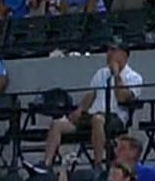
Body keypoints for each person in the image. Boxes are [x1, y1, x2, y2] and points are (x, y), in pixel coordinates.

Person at [42, 43, 143, 171]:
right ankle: (46, 164)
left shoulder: (134, 77)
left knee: (98, 120)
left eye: (113, 50)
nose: (109, 54)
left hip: (115, 117)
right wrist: (79, 110)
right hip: (92, 115)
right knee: (57, 124)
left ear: (124, 54)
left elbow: (122, 97)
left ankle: (98, 165)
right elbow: (91, 95)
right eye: (108, 50)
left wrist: (117, 75)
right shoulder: (101, 73)